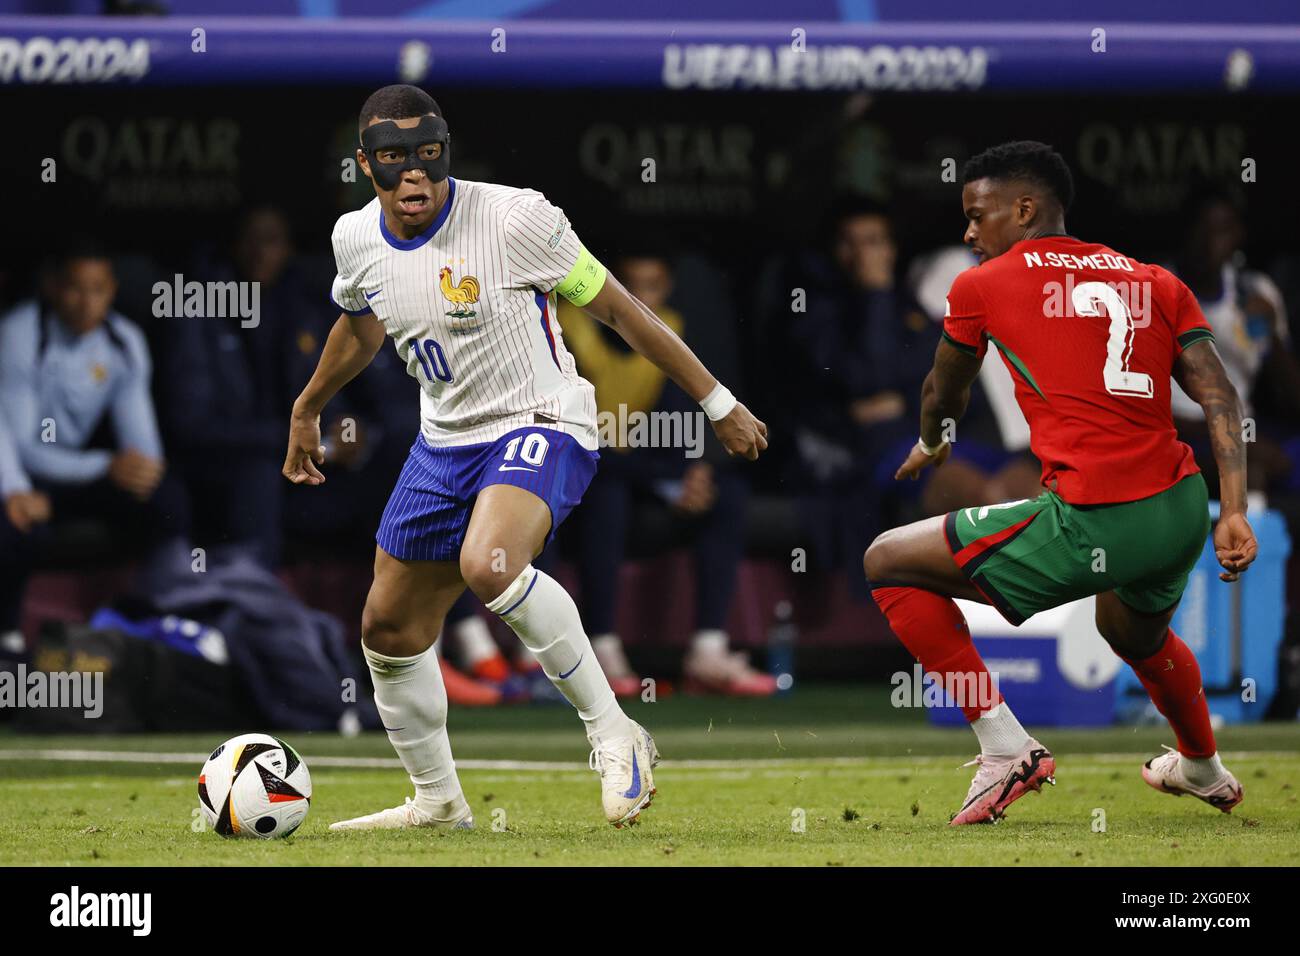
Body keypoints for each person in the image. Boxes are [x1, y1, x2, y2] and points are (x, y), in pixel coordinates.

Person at [282, 85, 767, 830]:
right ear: (364, 164)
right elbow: (360, 325)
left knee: (491, 563)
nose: (414, 177)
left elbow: (616, 308)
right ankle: (439, 803)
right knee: (386, 627)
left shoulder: (515, 218)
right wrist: (308, 405)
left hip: (542, 417)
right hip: (444, 440)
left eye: (427, 156)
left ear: (446, 149)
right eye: (393, 161)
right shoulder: (355, 238)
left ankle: (616, 734)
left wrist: (717, 401)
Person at [863, 141, 1257, 825]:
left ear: (1024, 208)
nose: (967, 233)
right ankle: (1201, 766)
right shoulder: (1154, 280)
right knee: (1133, 634)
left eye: (976, 215)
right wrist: (1233, 510)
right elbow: (1221, 395)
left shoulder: (981, 286)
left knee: (888, 562)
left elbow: (941, 392)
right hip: (1179, 508)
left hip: (1096, 518)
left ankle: (1004, 746)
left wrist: (932, 442)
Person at [560, 253, 770, 697]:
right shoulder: (570, 328)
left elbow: (676, 424)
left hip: (644, 484)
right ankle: (602, 645)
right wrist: (664, 480)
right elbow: (585, 438)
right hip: (579, 488)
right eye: (629, 286)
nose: (640, 299)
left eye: (652, 286)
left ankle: (708, 650)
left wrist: (691, 474)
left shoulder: (667, 332)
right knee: (606, 491)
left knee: (725, 491)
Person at [0, 240, 189, 639]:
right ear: (52, 287)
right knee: (15, 522)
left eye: (97, 289)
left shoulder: (125, 342)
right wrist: (106, 466)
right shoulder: (20, 333)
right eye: (74, 288)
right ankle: (10, 636)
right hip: (25, 473)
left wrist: (140, 470)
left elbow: (144, 451)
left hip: (79, 479)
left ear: (113, 291)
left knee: (165, 495)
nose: (86, 302)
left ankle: (158, 615)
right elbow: (18, 447)